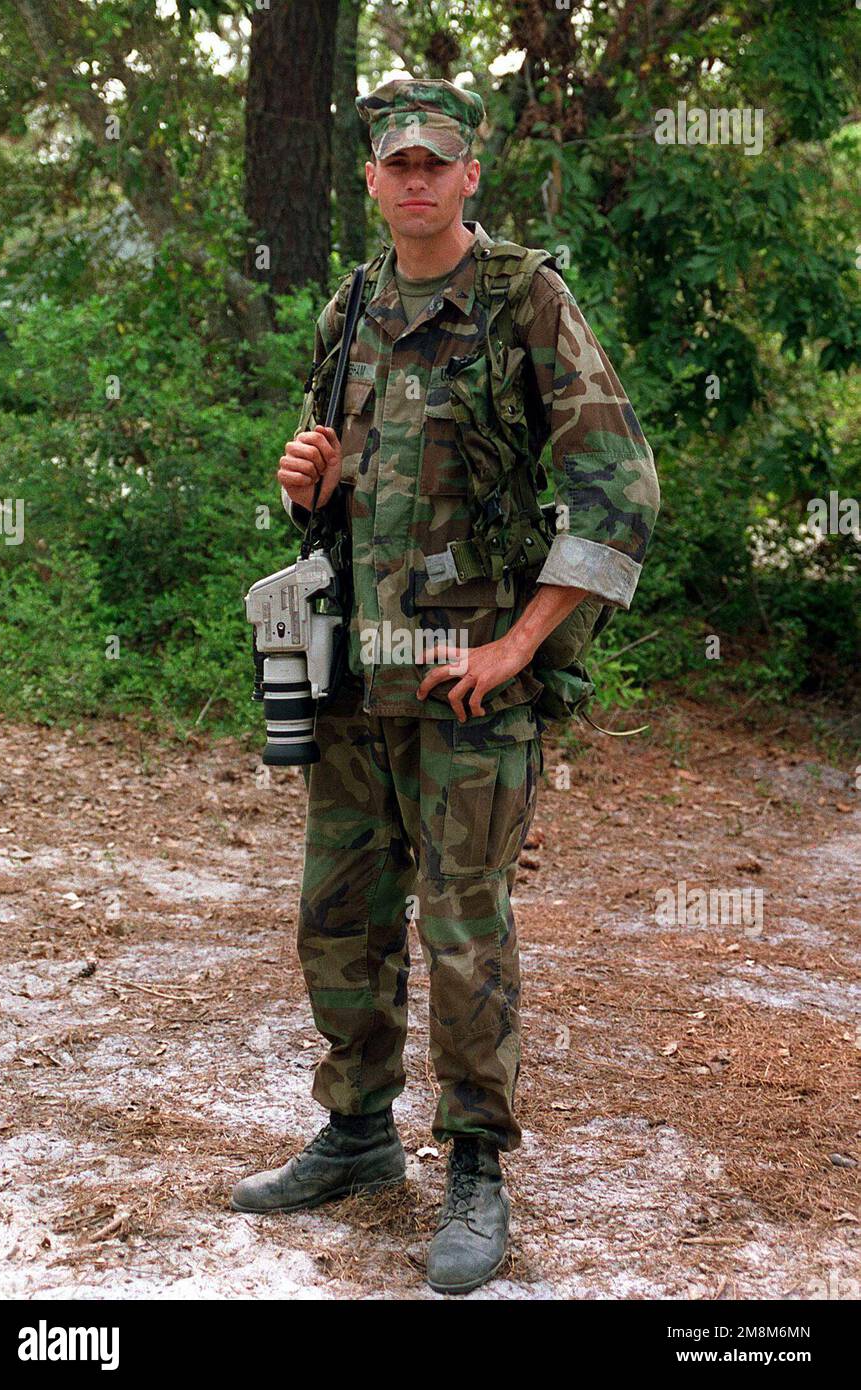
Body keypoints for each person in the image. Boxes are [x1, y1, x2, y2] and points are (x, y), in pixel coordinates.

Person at [231, 77, 660, 1295]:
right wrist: (302, 484)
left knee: (463, 929)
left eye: (436, 162)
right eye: (394, 163)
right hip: (356, 684)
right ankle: (358, 1133)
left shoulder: (525, 298)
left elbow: (620, 492)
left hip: (472, 683)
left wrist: (519, 646)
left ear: (470, 175)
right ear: (370, 180)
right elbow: (335, 501)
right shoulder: (352, 305)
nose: (414, 179)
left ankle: (474, 1164)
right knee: (340, 918)